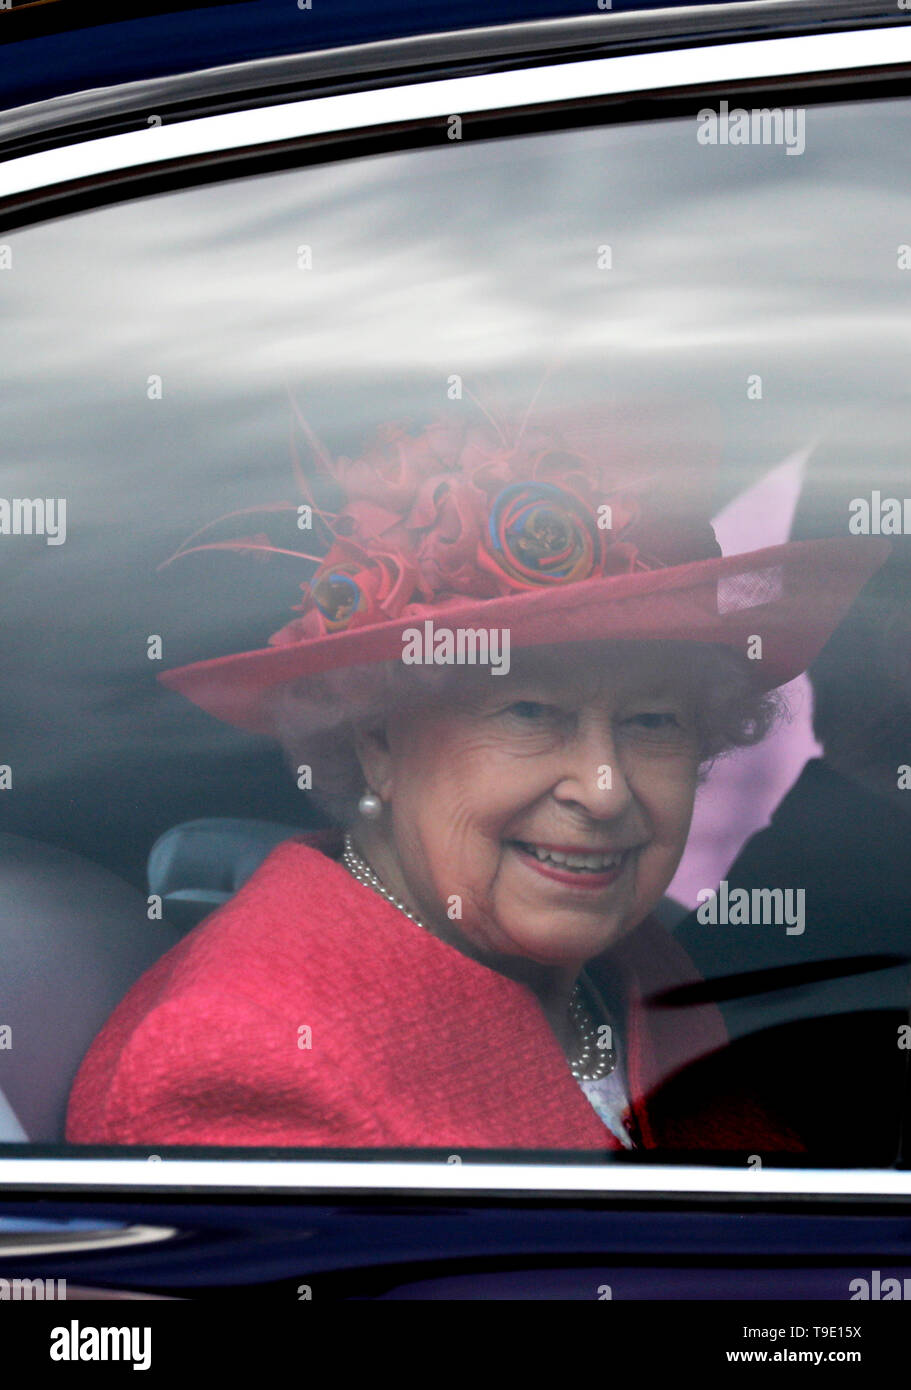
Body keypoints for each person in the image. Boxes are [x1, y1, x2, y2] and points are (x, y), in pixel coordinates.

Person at [65, 397, 889, 1152]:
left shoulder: (631, 960)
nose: (604, 790)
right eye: (530, 713)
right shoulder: (243, 1059)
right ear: (378, 737)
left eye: (652, 723)